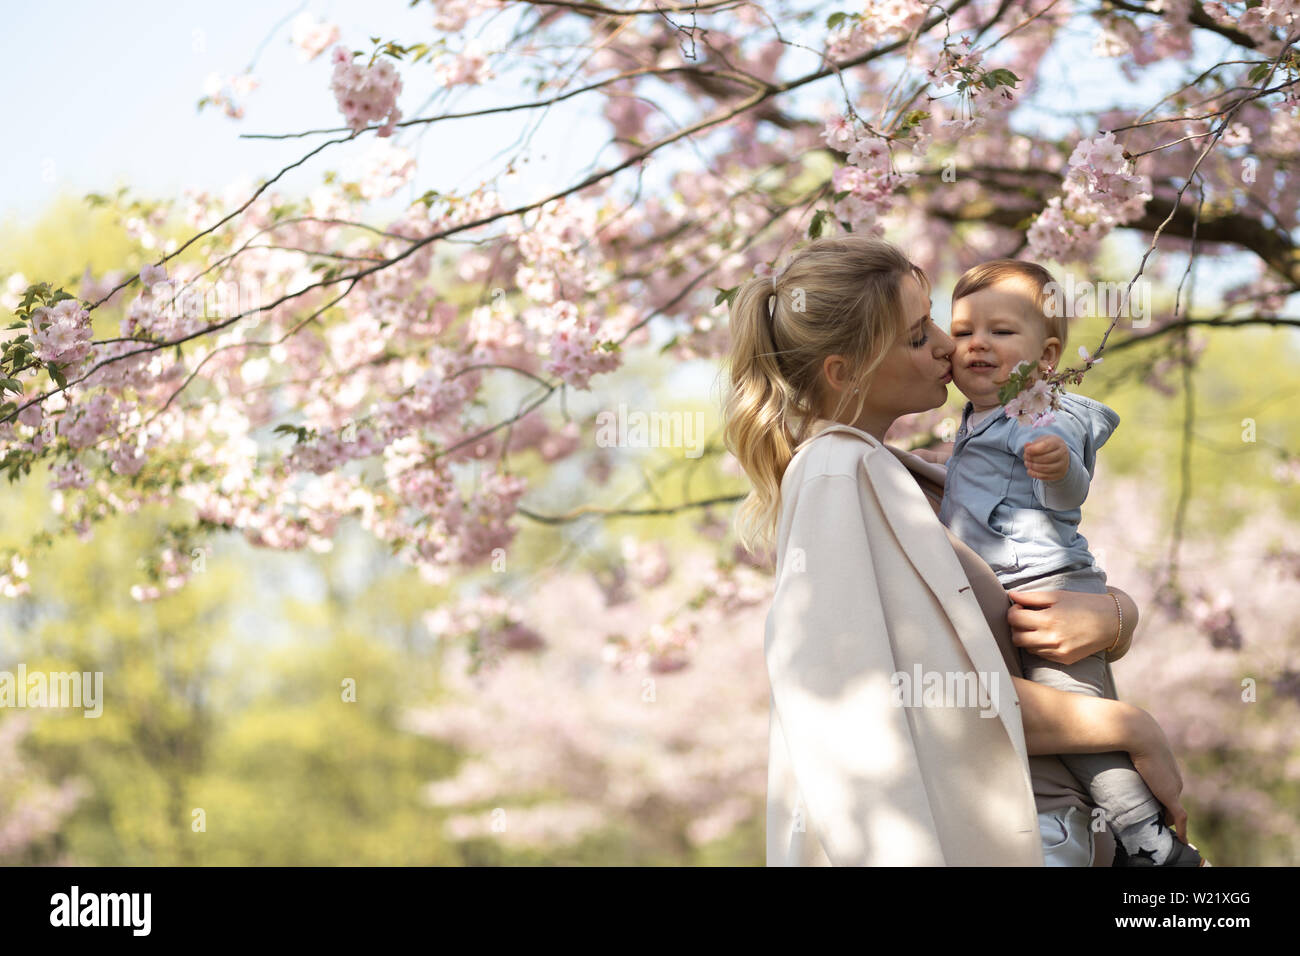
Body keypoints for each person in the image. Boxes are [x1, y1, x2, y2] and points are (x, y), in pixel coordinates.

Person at [721, 234, 1188, 866]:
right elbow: (925, 695)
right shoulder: (836, 474)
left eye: (934, 319)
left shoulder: (912, 475)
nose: (949, 344)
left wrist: (1114, 615)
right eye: (917, 336)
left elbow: (1023, 603)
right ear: (844, 371)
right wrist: (1127, 726)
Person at [918, 258, 1205, 866]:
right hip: (1020, 591)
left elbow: (1072, 488)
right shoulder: (973, 422)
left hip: (1048, 588)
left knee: (1083, 727)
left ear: (1046, 357)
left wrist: (1059, 466)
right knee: (1071, 723)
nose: (974, 346)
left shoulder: (1044, 414)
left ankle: (1147, 843)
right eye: (963, 331)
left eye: (1000, 332)